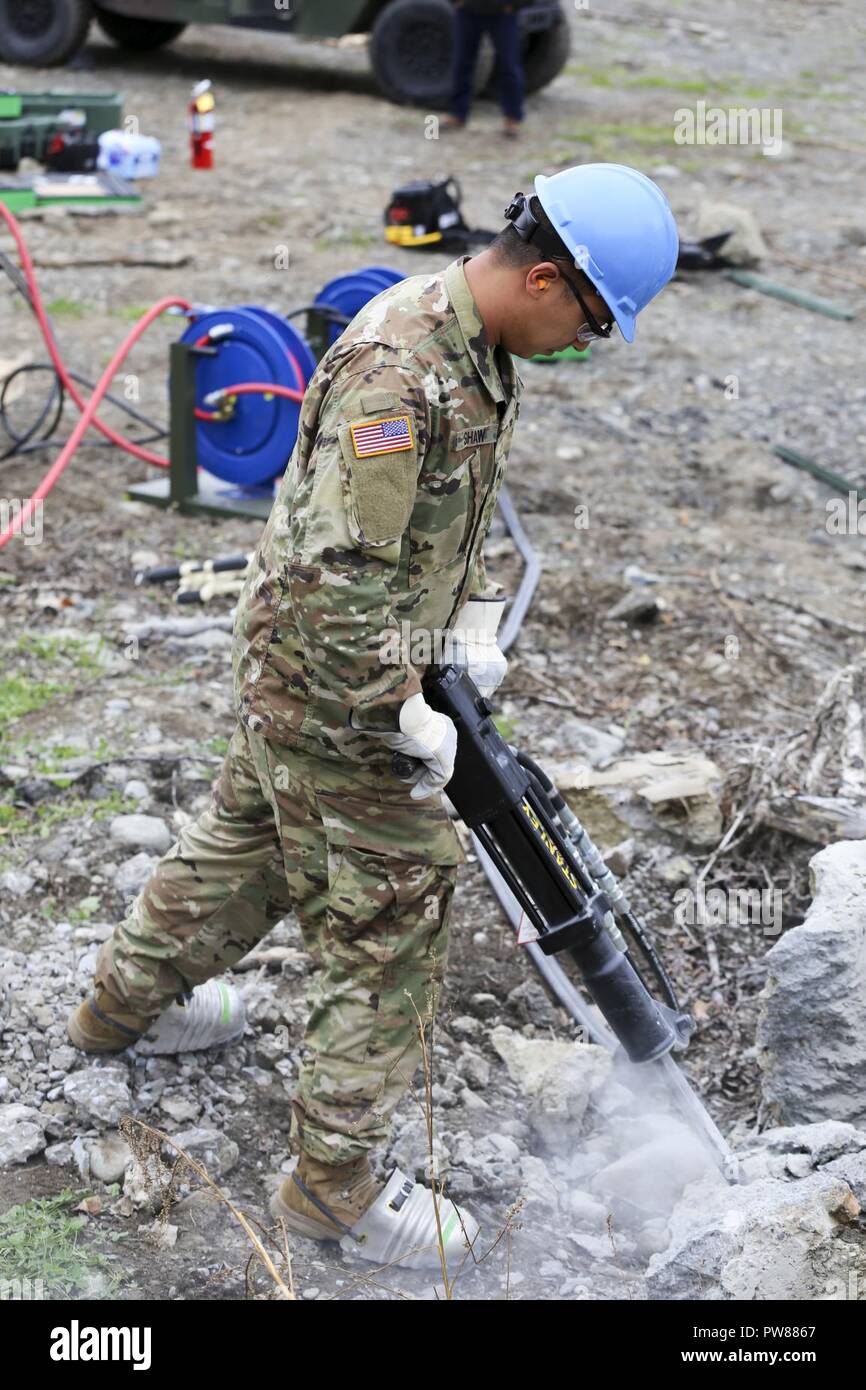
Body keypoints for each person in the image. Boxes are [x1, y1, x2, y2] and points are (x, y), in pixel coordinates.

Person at [66, 163, 679, 1271]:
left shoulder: (478, 351)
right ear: (542, 278)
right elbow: (340, 581)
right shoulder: (397, 372)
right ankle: (334, 1194)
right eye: (585, 322)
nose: (581, 343)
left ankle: (119, 1011)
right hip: (336, 683)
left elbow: (443, 516)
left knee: (245, 846)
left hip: (317, 670)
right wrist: (405, 711)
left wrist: (474, 611)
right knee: (389, 922)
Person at [445, 0, 530, 138]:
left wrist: (515, 5)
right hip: (467, 11)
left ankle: (512, 118)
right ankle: (457, 114)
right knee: (462, 63)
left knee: (509, 66)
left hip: (503, 13)